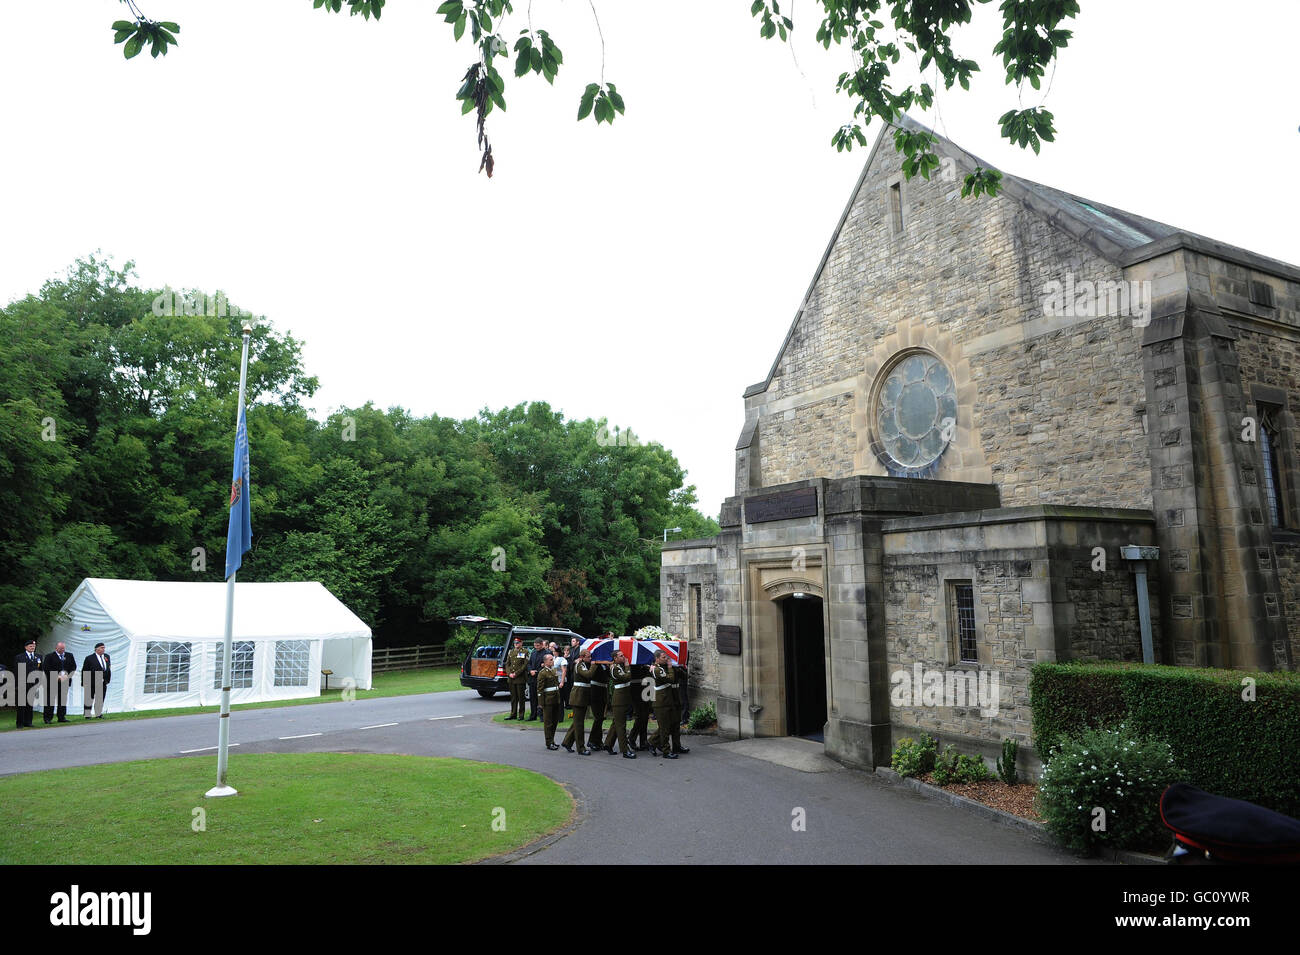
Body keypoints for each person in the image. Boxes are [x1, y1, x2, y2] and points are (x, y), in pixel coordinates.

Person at [650, 651, 684, 758]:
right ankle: (665, 751)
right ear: (657, 659)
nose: (667, 659)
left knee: (672, 724)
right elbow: (671, 679)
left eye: (667, 657)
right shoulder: (656, 669)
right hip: (661, 702)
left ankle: (652, 742)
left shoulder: (662, 668)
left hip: (668, 701)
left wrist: (678, 667)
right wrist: (670, 667)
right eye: (664, 657)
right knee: (664, 728)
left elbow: (681, 676)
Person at [602, 650, 636, 758]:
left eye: (623, 655)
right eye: (621, 656)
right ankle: (625, 750)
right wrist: (627, 666)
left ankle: (608, 744)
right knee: (621, 725)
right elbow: (627, 677)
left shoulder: (619, 666)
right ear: (615, 658)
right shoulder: (615, 668)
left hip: (623, 699)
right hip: (619, 700)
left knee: (616, 723)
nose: (623, 657)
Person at [561, 648, 594, 754]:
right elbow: (588, 675)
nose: (590, 658)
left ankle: (567, 742)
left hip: (582, 696)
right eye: (588, 657)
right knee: (579, 724)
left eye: (590, 656)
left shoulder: (583, 664)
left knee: (577, 721)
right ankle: (581, 748)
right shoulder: (580, 665)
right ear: (582, 657)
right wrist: (594, 665)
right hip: (578, 697)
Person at [41, 641, 77, 723]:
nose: (62, 650)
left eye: (63, 648)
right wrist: (56, 677)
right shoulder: (49, 656)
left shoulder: (69, 655)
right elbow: (46, 668)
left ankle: (61, 717)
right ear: (56, 648)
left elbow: (73, 666)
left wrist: (67, 676)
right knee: (50, 701)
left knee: (62, 700)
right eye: (60, 648)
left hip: (65, 681)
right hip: (52, 682)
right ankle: (48, 718)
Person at [586, 635, 611, 751]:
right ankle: (592, 740)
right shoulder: (594, 662)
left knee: (601, 717)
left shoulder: (605, 664)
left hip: (603, 691)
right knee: (598, 717)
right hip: (595, 691)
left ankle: (597, 740)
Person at [12, 639, 40, 729]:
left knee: (30, 704)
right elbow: (16, 671)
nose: (32, 648)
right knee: (21, 705)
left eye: (34, 646)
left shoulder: (38, 657)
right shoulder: (19, 657)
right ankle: (19, 723)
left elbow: (40, 670)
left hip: (33, 684)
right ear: (26, 647)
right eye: (31, 646)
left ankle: (28, 722)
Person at [537, 653, 561, 750]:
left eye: (552, 659)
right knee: (548, 723)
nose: (552, 661)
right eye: (550, 660)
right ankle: (548, 742)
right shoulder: (542, 673)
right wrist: (541, 703)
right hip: (547, 700)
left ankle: (552, 740)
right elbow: (539, 689)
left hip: (555, 698)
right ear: (545, 661)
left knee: (555, 721)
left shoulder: (554, 670)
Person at [81, 642, 111, 720]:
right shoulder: (89, 658)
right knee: (89, 698)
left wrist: (107, 679)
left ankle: (98, 713)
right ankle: (87, 714)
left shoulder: (106, 657)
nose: (103, 649)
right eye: (102, 647)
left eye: (104, 647)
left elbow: (108, 668)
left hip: (103, 681)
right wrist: (84, 682)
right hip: (92, 680)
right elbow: (85, 670)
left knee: (100, 698)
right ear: (96, 649)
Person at [504, 636, 530, 720]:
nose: (516, 644)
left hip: (520, 678)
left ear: (521, 643)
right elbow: (507, 664)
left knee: (521, 697)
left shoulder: (525, 652)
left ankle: (521, 715)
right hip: (511, 678)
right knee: (513, 698)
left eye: (518, 643)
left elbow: (524, 665)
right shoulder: (511, 652)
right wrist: (509, 673)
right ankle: (513, 714)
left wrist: (516, 673)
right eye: (515, 643)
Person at [526, 638, 547, 720]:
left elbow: (546, 665)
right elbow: (529, 663)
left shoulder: (546, 653)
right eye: (535, 646)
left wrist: (537, 672)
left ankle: (542, 715)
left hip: (541, 678)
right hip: (532, 678)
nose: (536, 647)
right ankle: (533, 715)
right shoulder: (533, 652)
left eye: (538, 646)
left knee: (541, 697)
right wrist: (530, 670)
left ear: (542, 644)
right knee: (533, 698)